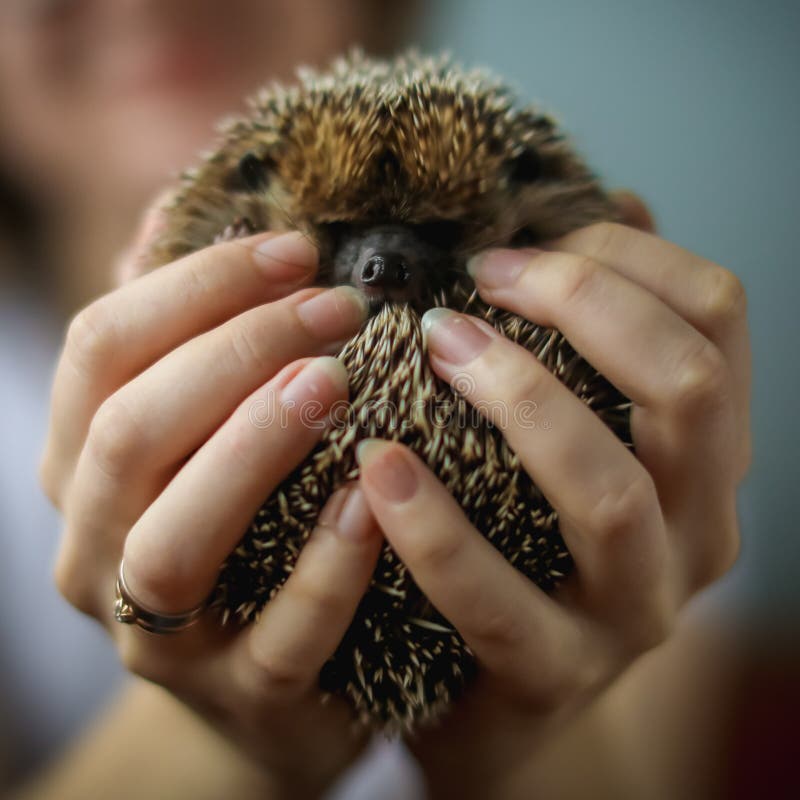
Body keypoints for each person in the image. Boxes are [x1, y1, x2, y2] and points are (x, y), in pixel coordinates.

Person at [1, 1, 751, 798]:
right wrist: (208, 727)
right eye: (339, 241)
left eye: (430, 237)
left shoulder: (654, 449)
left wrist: (521, 746)